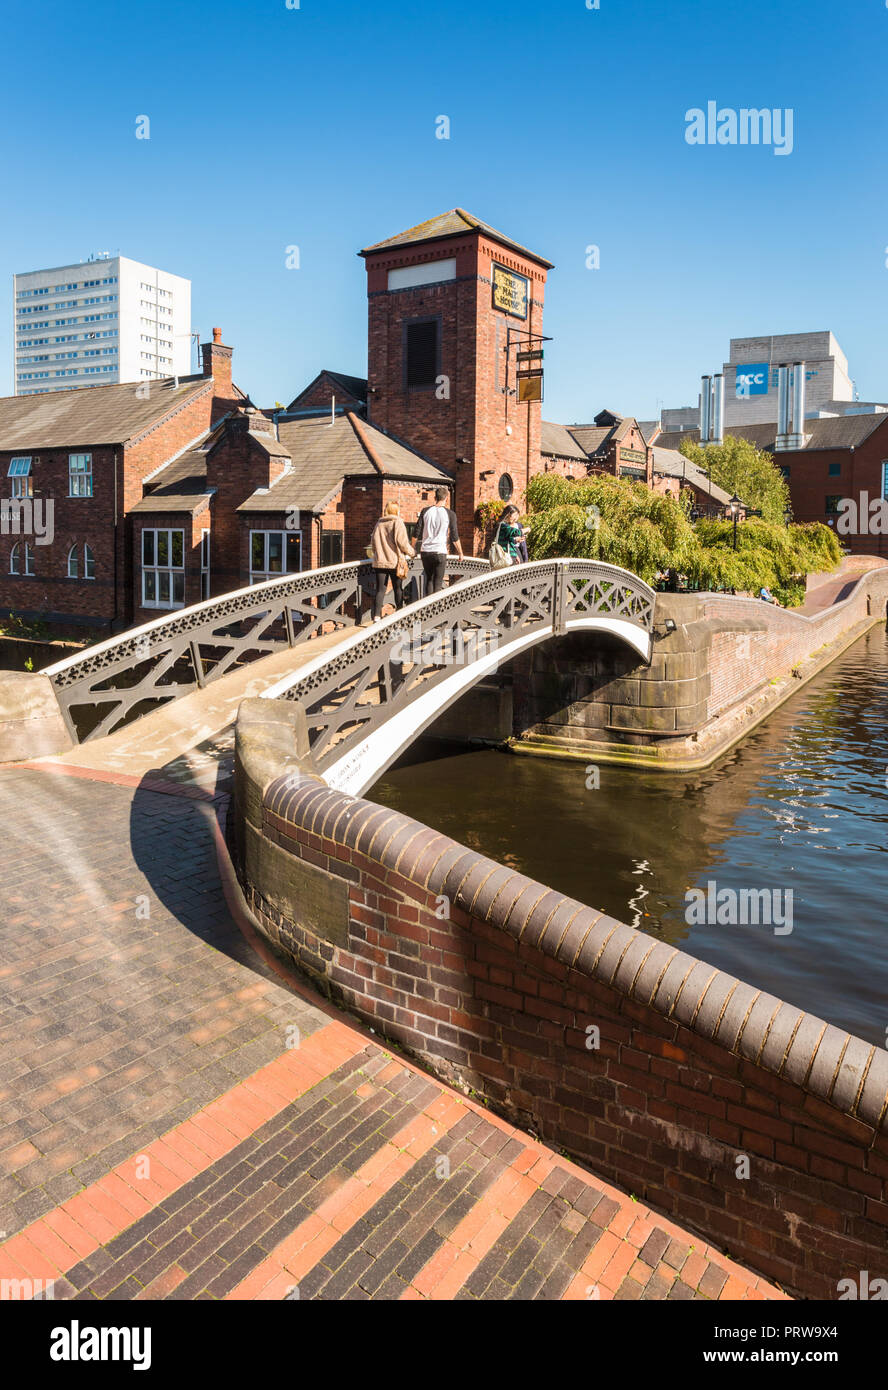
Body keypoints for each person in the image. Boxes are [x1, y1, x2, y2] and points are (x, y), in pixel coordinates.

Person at [369, 501, 415, 621]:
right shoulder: (397, 522)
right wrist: (412, 553)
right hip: (394, 562)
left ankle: (377, 616)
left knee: (380, 589)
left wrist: (377, 553)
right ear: (396, 510)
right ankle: (399, 613)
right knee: (398, 588)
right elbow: (402, 543)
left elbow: (373, 542)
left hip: (380, 561)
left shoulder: (379, 523)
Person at [416, 486, 463, 595]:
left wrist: (413, 548)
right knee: (437, 583)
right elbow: (454, 536)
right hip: (439, 551)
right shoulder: (450, 514)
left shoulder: (425, 511)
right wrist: (460, 553)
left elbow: (416, 531)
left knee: (429, 580)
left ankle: (427, 608)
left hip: (425, 551)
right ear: (446, 498)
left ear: (434, 497)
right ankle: (435, 610)